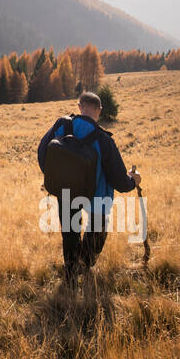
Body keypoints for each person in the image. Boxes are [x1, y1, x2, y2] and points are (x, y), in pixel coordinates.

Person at [36, 90, 140, 285]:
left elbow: (42, 152)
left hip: (65, 189)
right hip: (96, 195)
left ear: (79, 107)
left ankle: (71, 272)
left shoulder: (62, 124)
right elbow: (119, 180)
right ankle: (85, 265)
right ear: (99, 111)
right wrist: (133, 181)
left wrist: (55, 178)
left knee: (70, 232)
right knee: (97, 230)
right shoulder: (104, 140)